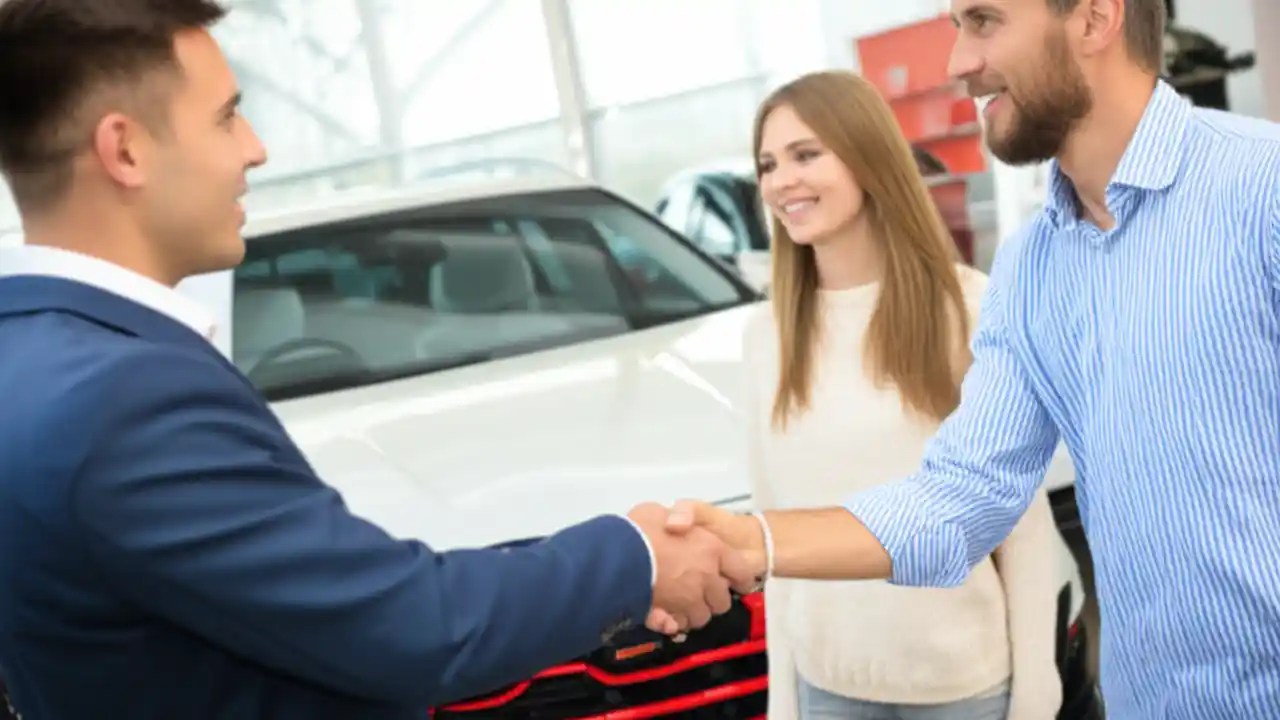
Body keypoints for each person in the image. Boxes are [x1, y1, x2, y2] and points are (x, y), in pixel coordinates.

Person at [0, 2, 754, 719]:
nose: (255, 148)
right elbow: (416, 627)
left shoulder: (32, 360)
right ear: (125, 150)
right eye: (226, 117)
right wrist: (636, 557)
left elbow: (313, 587)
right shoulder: (124, 395)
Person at [665, 0, 1280, 718]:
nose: (957, 62)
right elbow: (960, 501)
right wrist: (751, 540)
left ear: (1094, 19)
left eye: (983, 21)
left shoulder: (1261, 192)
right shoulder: (1031, 268)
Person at [744, 70, 1063, 720]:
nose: (782, 181)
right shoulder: (766, 335)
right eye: (768, 164)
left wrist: (1036, 696)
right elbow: (773, 536)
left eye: (807, 155)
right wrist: (783, 704)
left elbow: (1023, 531)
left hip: (963, 693)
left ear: (868, 156)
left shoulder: (966, 305)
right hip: (826, 689)